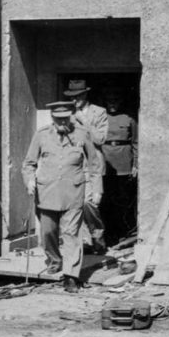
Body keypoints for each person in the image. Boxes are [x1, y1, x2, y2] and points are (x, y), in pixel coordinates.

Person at [22, 101, 101, 293]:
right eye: (58, 119)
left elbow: (94, 164)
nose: (62, 122)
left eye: (65, 118)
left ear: (71, 115)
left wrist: (97, 190)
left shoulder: (82, 134)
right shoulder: (41, 135)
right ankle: (55, 260)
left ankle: (71, 275)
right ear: (52, 118)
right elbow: (28, 164)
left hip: (73, 192)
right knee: (48, 232)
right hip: (46, 193)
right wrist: (29, 181)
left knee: (71, 234)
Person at [65, 80, 108, 254]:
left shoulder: (99, 112)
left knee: (89, 203)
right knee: (76, 204)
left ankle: (98, 236)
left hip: (92, 165)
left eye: (78, 96)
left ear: (85, 95)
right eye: (72, 97)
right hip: (75, 165)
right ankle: (86, 243)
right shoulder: (68, 115)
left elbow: (100, 139)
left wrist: (84, 122)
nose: (75, 100)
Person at [101, 88, 138, 247]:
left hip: (124, 163)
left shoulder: (129, 118)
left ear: (121, 101)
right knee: (105, 201)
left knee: (122, 201)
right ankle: (108, 235)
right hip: (105, 163)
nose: (113, 104)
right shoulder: (101, 118)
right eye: (110, 101)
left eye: (116, 100)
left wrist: (136, 164)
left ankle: (123, 233)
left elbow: (136, 142)